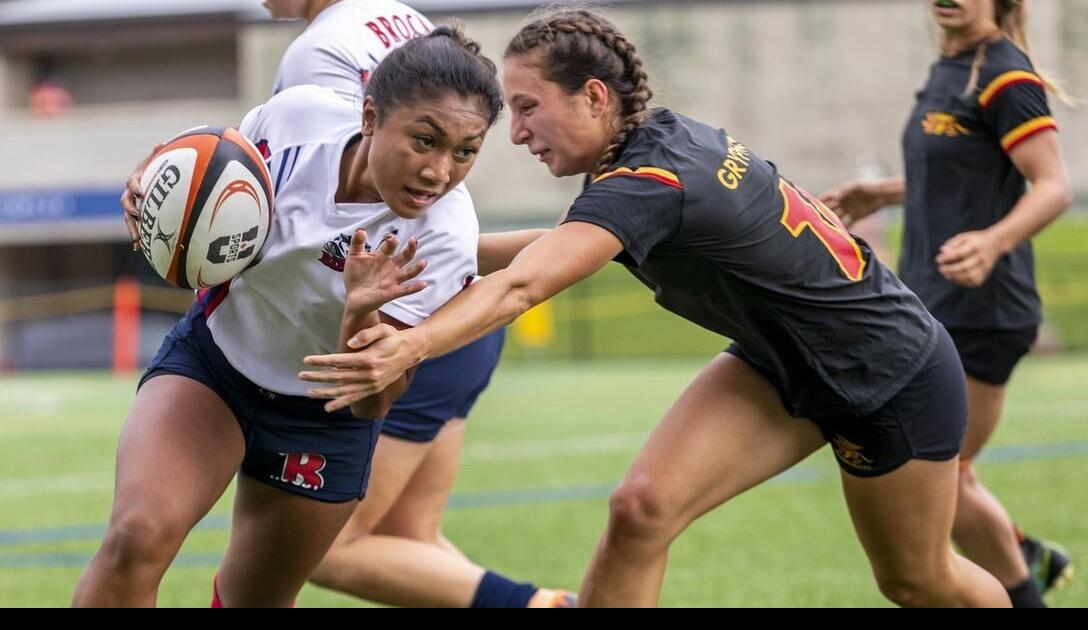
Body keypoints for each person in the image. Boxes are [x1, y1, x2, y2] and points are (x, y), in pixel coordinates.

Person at [299, 7, 1014, 607]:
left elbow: (525, 285)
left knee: (920, 582)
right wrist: (434, 238)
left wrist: (409, 344)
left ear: (593, 97)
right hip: (780, 364)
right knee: (639, 510)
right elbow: (562, 244)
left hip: (888, 377)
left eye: (525, 108)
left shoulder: (645, 182)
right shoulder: (658, 148)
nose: (515, 133)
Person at [72, 27, 506, 607]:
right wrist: (153, 185)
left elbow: (372, 403)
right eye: (425, 140)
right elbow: (209, 161)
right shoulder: (298, 118)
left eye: (465, 152)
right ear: (371, 117)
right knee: (136, 538)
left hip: (323, 420)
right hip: (216, 366)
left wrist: (360, 309)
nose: (439, 171)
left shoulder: (445, 236)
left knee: (254, 599)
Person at [262, 0, 569, 607]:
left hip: (414, 321)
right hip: (459, 316)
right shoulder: (400, 18)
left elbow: (334, 221)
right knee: (410, 537)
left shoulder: (316, 55)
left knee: (322, 547)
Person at [821, 0, 1073, 607]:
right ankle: (1025, 557)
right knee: (948, 471)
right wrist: (882, 192)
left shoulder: (1006, 75)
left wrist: (995, 240)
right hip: (929, 303)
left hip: (982, 310)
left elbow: (1053, 184)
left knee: (940, 471)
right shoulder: (951, 68)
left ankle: (1022, 578)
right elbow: (969, 169)